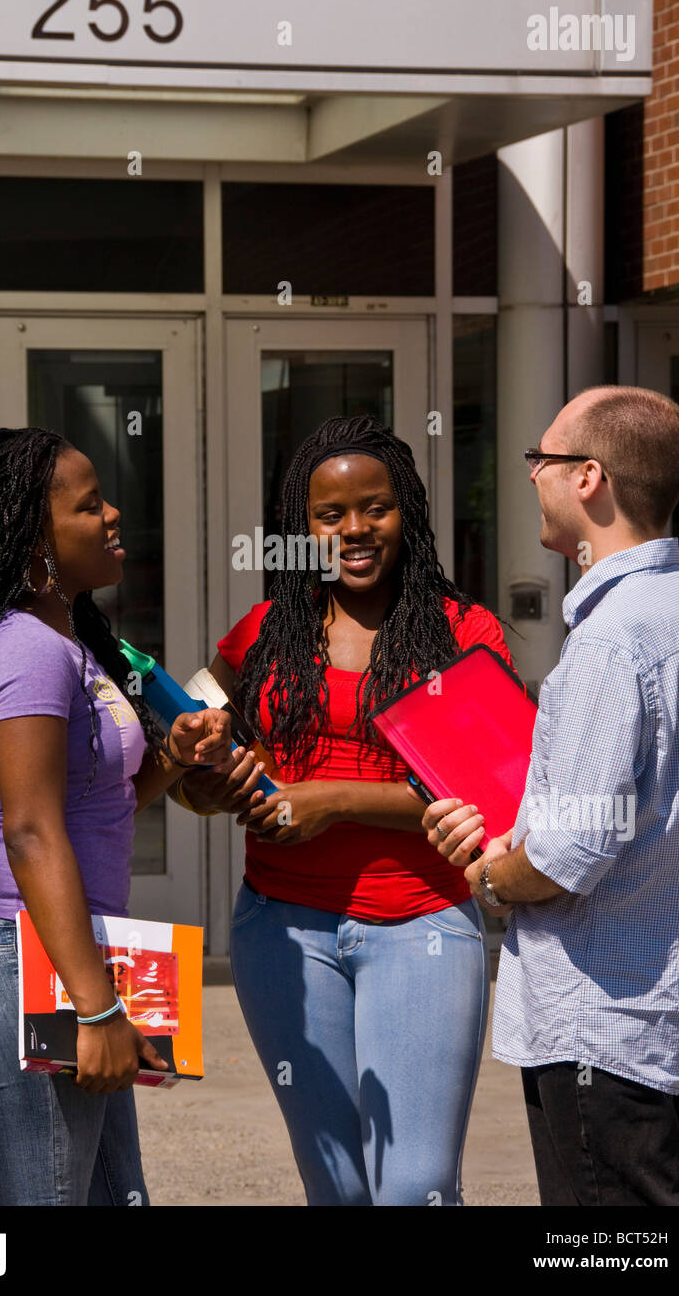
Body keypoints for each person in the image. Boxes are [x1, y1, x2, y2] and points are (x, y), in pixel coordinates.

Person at [174, 414, 512, 1206]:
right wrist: (212, 779)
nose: (355, 529)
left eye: (376, 507)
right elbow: (187, 778)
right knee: (335, 1185)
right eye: (330, 515)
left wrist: (331, 801)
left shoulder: (467, 633)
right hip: (281, 932)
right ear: (302, 529)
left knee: (415, 1185)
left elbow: (490, 793)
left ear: (409, 516)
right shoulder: (255, 637)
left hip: (420, 924)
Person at [0, 427, 232, 1206]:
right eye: (90, 506)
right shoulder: (27, 649)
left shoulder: (71, 642)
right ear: (34, 543)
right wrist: (97, 1007)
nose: (114, 514)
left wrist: (177, 757)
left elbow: (97, 801)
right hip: (17, 952)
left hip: (57, 946)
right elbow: (29, 828)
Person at [425, 385, 679, 1206]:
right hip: (660, 1019)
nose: (530, 478)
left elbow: (567, 857)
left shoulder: (612, 640)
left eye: (540, 460)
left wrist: (485, 874)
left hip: (600, 1024)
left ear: (587, 477)